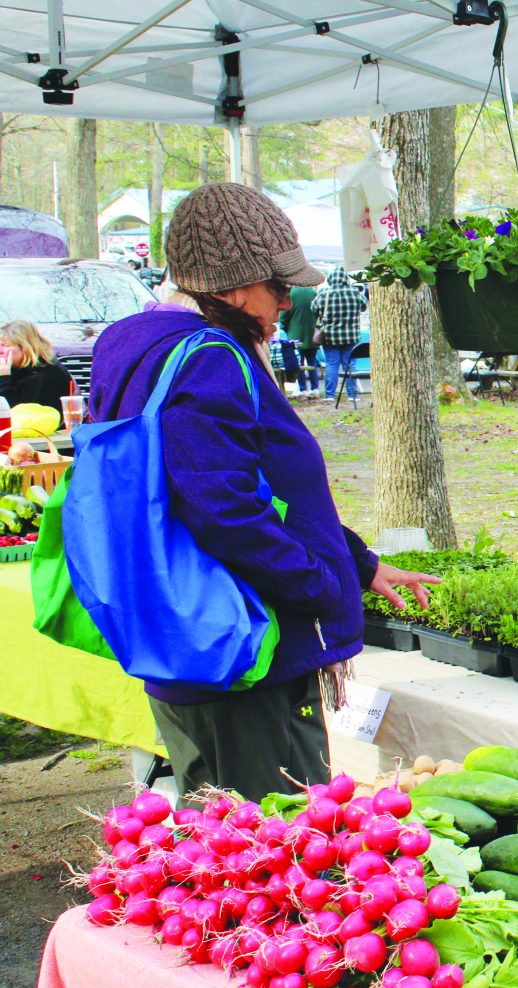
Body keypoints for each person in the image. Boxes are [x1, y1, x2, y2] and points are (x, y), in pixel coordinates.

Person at [85, 182, 439, 800]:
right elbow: (224, 509)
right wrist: (316, 585)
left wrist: (356, 561)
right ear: (231, 286)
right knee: (282, 841)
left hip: (186, 637)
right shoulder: (210, 359)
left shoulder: (136, 342)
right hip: (248, 654)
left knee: (220, 836)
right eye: (278, 287)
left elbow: (263, 486)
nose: (286, 301)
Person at [312, 265, 367, 402]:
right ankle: (353, 395)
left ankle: (330, 395)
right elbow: (364, 306)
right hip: (351, 336)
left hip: (330, 337)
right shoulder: (355, 293)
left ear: (331, 279)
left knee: (332, 364)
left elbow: (313, 308)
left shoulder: (324, 294)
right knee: (350, 365)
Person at [0, 320, 76, 416]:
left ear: (26, 347)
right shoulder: (13, 369)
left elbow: (14, 416)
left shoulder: (46, 375)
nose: (0, 351)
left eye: (5, 345)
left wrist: (3, 379)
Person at [279, 281, 321, 397]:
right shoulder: (313, 293)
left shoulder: (291, 294)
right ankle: (315, 387)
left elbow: (283, 316)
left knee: (299, 362)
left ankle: (302, 388)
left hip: (295, 334)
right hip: (312, 334)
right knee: (312, 362)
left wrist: (283, 327)